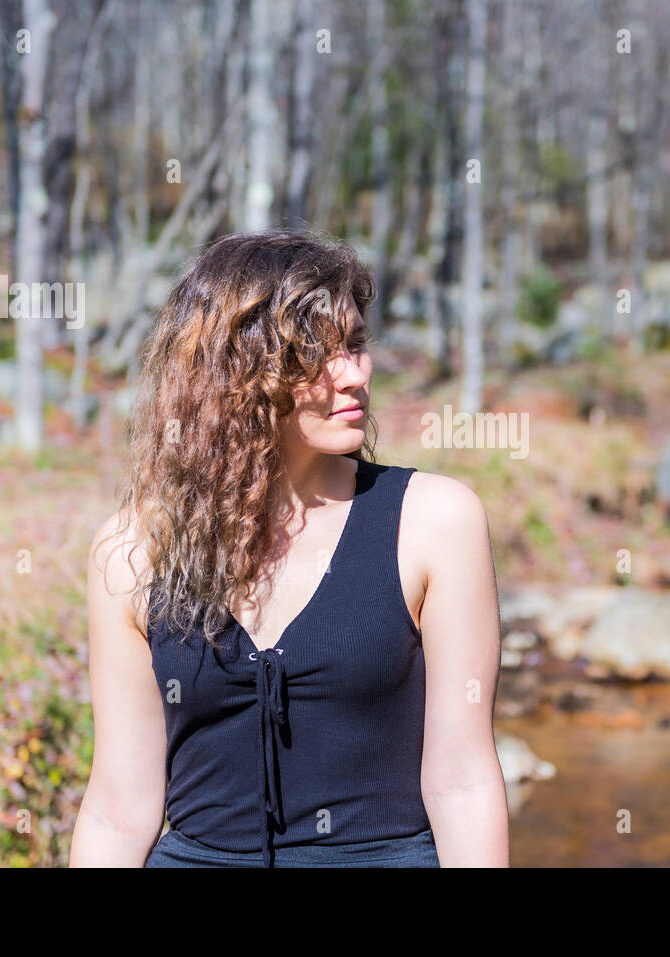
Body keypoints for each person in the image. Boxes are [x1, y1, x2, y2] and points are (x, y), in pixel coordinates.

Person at [70, 228, 509, 867]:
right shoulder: (133, 549)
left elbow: (463, 779)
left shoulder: (434, 521)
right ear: (235, 371)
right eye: (314, 353)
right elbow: (118, 808)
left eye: (356, 344)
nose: (353, 374)